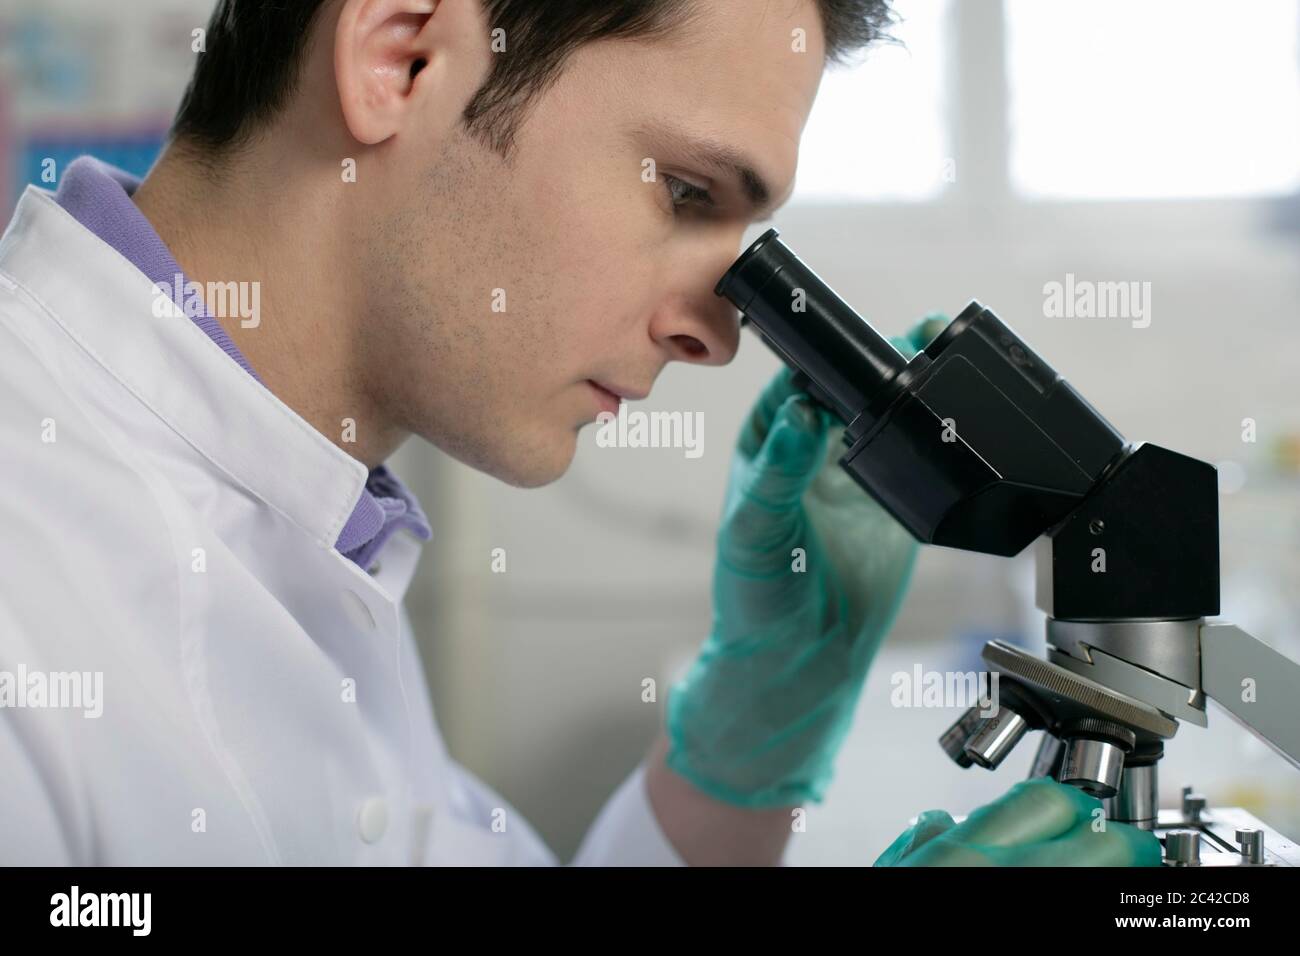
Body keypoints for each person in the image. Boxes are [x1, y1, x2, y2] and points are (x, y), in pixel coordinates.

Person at [0, 0, 1159, 866]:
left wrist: (751, 729)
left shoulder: (305, 508)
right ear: (398, 56)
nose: (720, 332)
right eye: (687, 195)